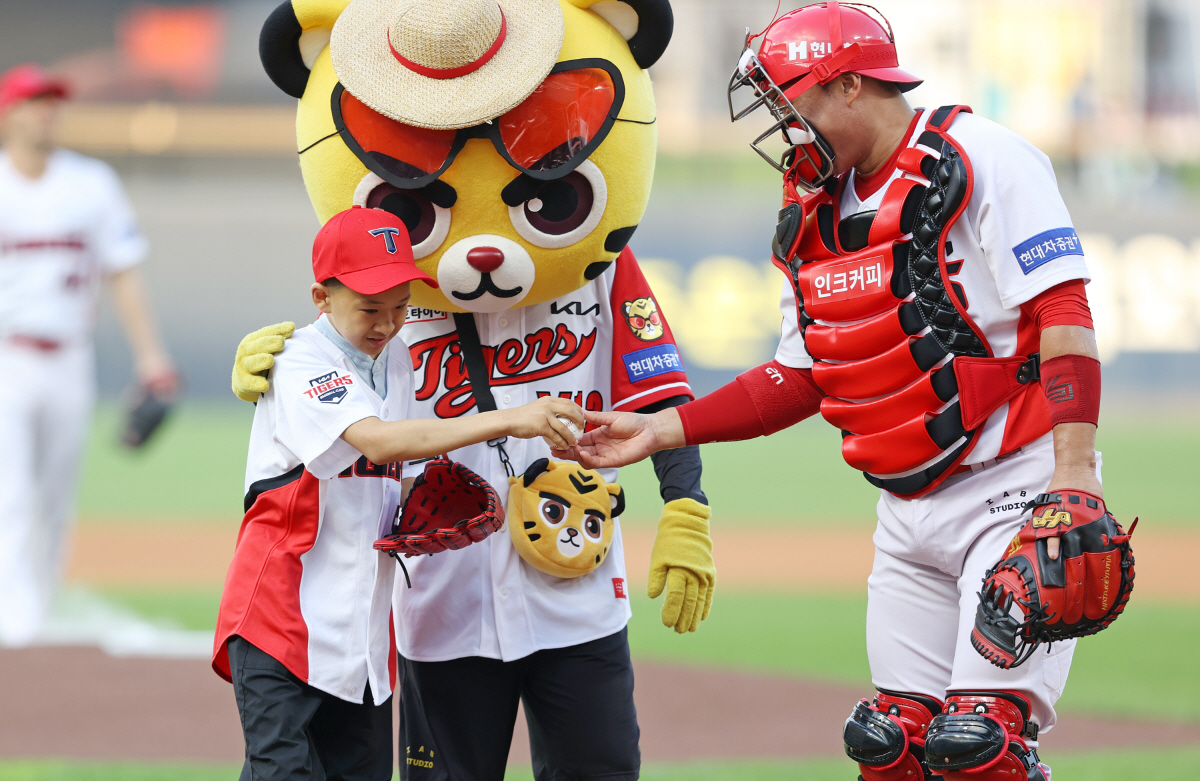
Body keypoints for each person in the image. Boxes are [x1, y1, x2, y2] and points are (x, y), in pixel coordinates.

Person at [562, 4, 1106, 780]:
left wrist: (1075, 470)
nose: (784, 128)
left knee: (980, 750)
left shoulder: (980, 153)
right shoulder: (807, 209)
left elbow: (1063, 309)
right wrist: (662, 430)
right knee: (891, 748)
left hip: (1013, 489)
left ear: (850, 85)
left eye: (792, 103)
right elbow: (800, 376)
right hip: (905, 511)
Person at [212, 205, 585, 781]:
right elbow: (378, 444)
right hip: (281, 621)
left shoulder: (394, 365)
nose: (387, 322)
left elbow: (373, 472)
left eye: (400, 306)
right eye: (369, 308)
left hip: (361, 638)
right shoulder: (298, 361)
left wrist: (419, 491)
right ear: (321, 297)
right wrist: (512, 419)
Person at [0, 63, 177, 646]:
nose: (46, 111)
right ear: (9, 112)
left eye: (52, 101)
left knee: (53, 493)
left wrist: (151, 358)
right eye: (33, 101)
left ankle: (35, 609)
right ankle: (17, 623)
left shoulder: (90, 182)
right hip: (7, 357)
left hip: (69, 358)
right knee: (13, 491)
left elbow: (121, 272)